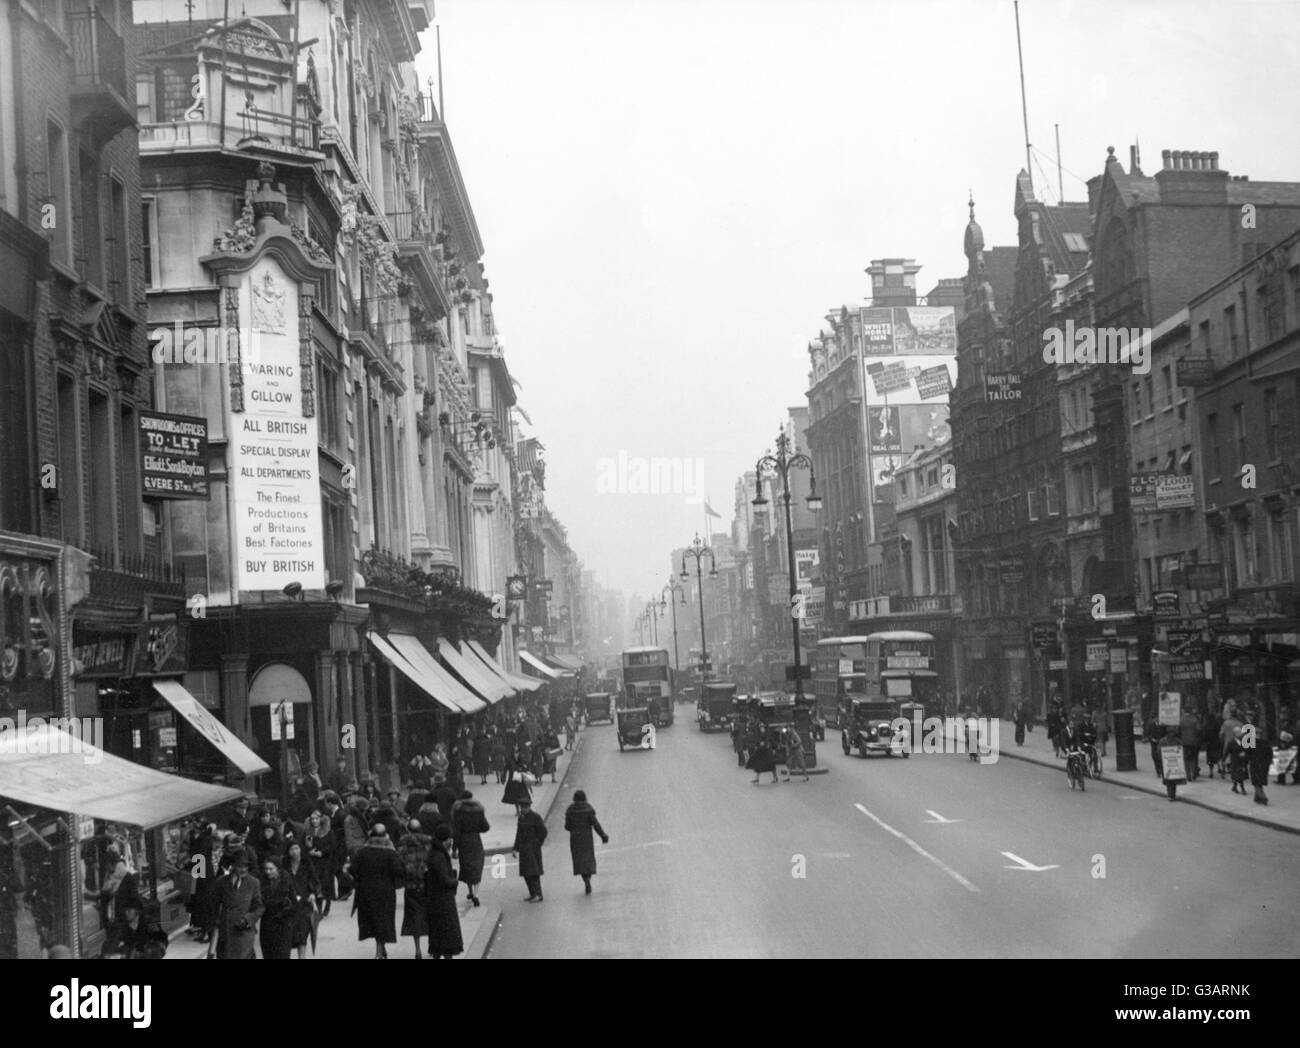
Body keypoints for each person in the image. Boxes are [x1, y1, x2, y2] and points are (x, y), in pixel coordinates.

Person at [350, 824, 404, 959]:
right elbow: (399, 871)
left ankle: (381, 949)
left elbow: (353, 869)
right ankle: (379, 952)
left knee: (373, 921)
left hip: (366, 891)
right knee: (383, 921)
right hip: (385, 891)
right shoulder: (390, 853)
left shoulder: (363, 851)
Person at [208, 850, 264, 959]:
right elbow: (213, 905)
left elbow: (259, 907)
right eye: (240, 866)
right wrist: (214, 926)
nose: (243, 869)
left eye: (246, 866)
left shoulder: (253, 883)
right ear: (233, 866)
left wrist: (247, 920)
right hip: (225, 933)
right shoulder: (221, 882)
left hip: (244, 933)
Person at [425, 825, 463, 959]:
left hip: (437, 899)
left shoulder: (436, 853)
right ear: (445, 840)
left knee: (438, 934)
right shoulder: (439, 856)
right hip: (442, 900)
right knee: (446, 933)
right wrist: (455, 881)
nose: (451, 841)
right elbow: (444, 879)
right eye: (450, 838)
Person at [397, 820, 433, 959]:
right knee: (429, 915)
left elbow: (399, 864)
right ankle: (431, 945)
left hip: (411, 885)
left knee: (413, 917)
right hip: (427, 884)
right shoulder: (429, 843)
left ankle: (417, 950)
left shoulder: (404, 845)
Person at [563, 790, 609, 895]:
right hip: (586, 838)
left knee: (579, 861)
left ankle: (585, 879)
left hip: (575, 839)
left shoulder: (570, 810)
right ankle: (588, 877)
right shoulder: (588, 809)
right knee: (588, 859)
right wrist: (603, 836)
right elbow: (596, 824)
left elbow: (567, 826)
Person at [450, 790, 489, 907]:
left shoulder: (458, 812)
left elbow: (456, 831)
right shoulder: (478, 810)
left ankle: (470, 892)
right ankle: (476, 894)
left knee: (466, 866)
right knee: (477, 866)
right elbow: (485, 827)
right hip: (475, 840)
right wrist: (476, 829)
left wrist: (454, 848)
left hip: (463, 842)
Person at [283, 841, 319, 960]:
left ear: (300, 849)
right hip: (288, 903)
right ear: (288, 851)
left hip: (304, 902)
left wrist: (313, 893)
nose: (294, 851)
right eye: (291, 849)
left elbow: (315, 880)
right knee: (288, 935)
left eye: (296, 848)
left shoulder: (306, 863)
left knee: (303, 933)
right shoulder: (284, 863)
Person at [100, 896, 168, 959]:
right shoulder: (121, 928)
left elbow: (162, 940)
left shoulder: (148, 925)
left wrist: (153, 950)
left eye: (129, 910)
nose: (126, 912)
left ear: (137, 911)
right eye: (125, 910)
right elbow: (110, 947)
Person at [257, 859, 297, 960]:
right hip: (267, 925)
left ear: (278, 869)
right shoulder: (262, 882)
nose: (268, 871)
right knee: (268, 954)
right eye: (266, 869)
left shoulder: (286, 882)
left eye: (271, 869)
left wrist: (287, 909)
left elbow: (294, 904)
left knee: (282, 954)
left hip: (283, 925)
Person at [512, 798, 548, 902]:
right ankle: (532, 893)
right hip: (524, 849)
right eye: (522, 807)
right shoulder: (521, 818)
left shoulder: (535, 817)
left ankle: (538, 894)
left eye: (524, 807)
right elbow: (518, 834)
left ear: (529, 807)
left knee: (534, 872)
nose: (523, 809)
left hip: (532, 849)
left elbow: (543, 832)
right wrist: (515, 848)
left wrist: (537, 844)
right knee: (526, 873)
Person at [1245, 711, 1274, 806]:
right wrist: (1269, 762)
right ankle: (1257, 797)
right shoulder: (1265, 743)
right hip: (1264, 765)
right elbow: (1270, 753)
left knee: (1256, 782)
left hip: (1254, 764)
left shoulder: (1251, 743)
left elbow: (1247, 753)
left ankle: (1263, 797)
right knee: (1260, 781)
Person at [1179, 706, 1202, 782]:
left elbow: (1178, 729)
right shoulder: (1194, 719)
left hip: (1184, 742)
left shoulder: (1181, 719)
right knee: (1193, 758)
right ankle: (1193, 774)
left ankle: (1188, 775)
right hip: (1193, 742)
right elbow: (1199, 729)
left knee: (1186, 759)